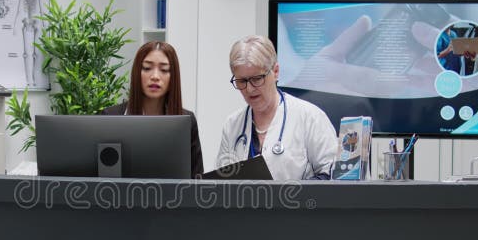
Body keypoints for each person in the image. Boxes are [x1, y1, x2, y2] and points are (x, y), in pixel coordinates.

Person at [217, 35, 337, 180]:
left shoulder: (310, 118)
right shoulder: (232, 125)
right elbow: (223, 185)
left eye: (257, 79)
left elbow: (331, 176)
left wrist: (293, 196)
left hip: (299, 202)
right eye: (242, 81)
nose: (249, 89)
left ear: (275, 72)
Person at [102, 41, 204, 178]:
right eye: (147, 68)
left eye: (164, 70)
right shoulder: (111, 117)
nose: (155, 76)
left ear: (173, 76)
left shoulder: (186, 121)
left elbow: (196, 180)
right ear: (137, 73)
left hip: (172, 198)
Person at [13, 0, 45, 88]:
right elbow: (18, 11)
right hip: (26, 25)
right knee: (27, 54)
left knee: (34, 54)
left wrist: (44, 28)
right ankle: (28, 80)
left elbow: (40, 12)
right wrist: (14, 27)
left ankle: (32, 79)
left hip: (34, 26)